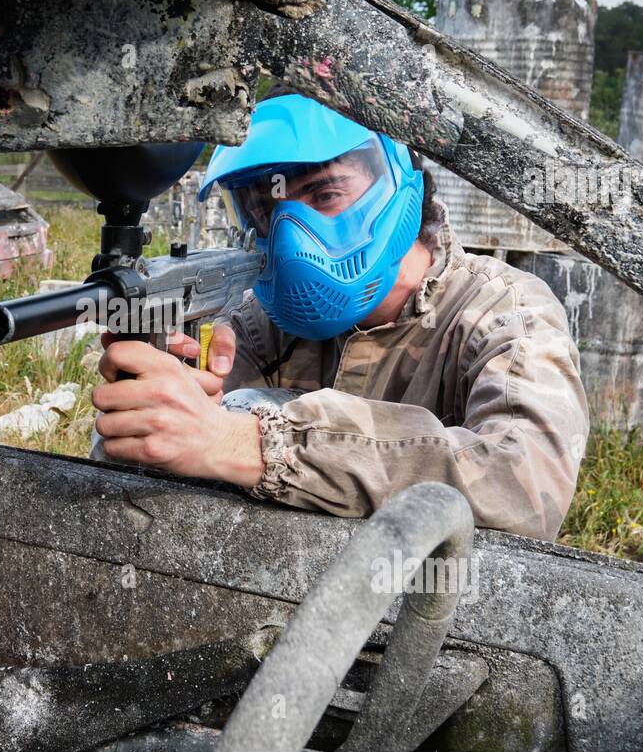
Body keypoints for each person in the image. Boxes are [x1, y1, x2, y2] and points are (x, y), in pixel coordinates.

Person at [91, 92, 589, 541]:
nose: (290, 237)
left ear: (401, 184)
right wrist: (159, 401)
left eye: (326, 196)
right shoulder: (250, 327)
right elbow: (139, 498)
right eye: (266, 211)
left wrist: (250, 443)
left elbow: (525, 486)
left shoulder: (503, 312)